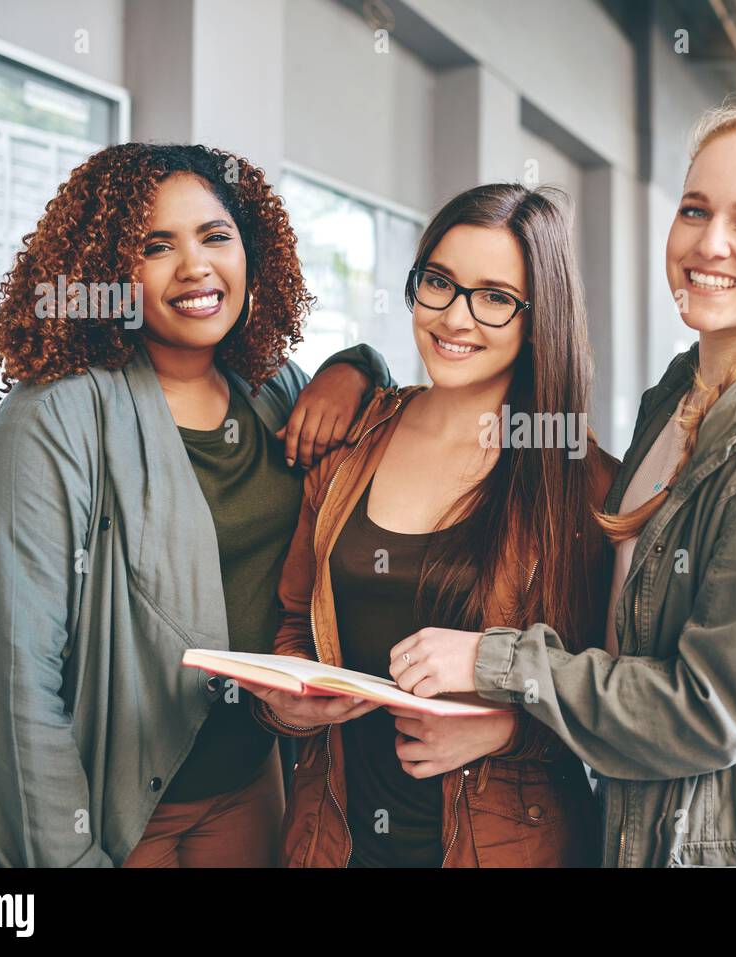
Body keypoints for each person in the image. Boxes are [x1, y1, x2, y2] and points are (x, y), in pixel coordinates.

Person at [383, 102, 736, 867]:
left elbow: (706, 709)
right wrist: (511, 719)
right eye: (696, 209)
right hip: (652, 822)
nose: (709, 242)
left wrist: (496, 662)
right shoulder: (682, 394)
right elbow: (630, 643)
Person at [0, 143, 387, 867]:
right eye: (156, 246)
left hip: (247, 783)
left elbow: (386, 413)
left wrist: (357, 367)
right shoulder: (47, 422)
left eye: (215, 236)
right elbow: (12, 689)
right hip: (108, 810)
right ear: (108, 272)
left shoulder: (272, 386)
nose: (195, 266)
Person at [244, 184, 618, 867]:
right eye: (439, 283)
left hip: (507, 842)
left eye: (495, 296)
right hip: (336, 838)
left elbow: (624, 692)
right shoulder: (355, 439)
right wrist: (287, 697)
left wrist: (507, 729)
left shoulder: (581, 480)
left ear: (540, 318)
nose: (455, 317)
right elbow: (296, 620)